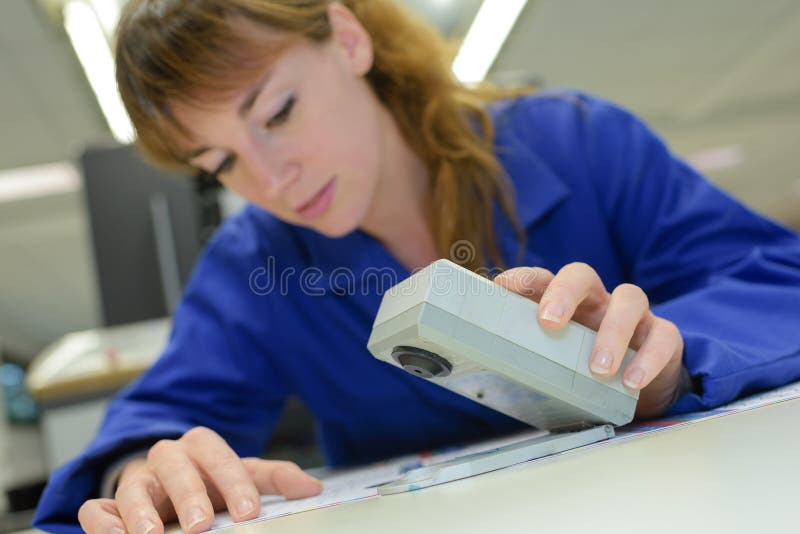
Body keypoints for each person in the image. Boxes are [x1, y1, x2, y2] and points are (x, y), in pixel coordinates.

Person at [33, 1, 800, 533]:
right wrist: (136, 473)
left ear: (348, 38)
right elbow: (155, 421)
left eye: (277, 113)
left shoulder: (578, 142)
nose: (272, 180)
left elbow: (776, 278)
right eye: (221, 160)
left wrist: (670, 360)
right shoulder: (254, 267)